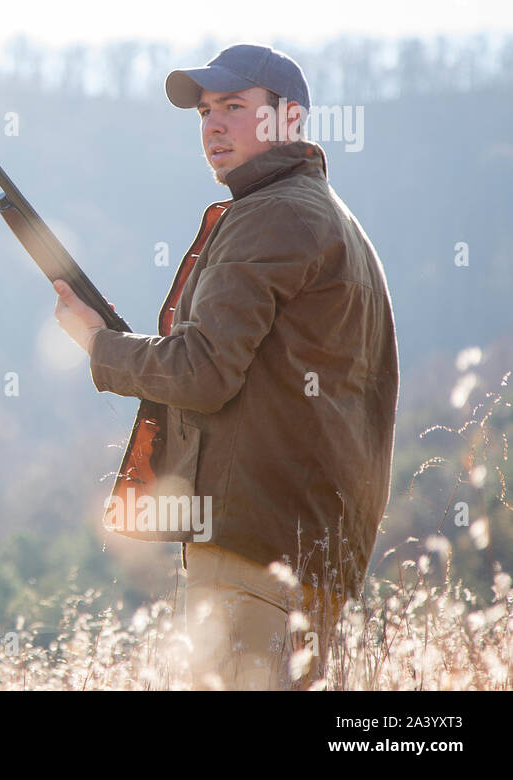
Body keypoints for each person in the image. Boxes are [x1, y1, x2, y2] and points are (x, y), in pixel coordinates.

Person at [52, 44, 399, 689]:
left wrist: (100, 347)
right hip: (304, 551)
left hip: (251, 554)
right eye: (206, 111)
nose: (212, 125)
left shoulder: (274, 215)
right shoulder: (324, 216)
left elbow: (202, 371)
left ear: (288, 120)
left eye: (234, 108)